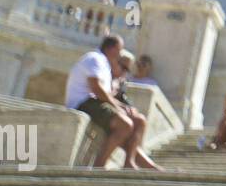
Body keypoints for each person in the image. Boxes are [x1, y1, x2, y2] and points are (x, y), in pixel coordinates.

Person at [65, 35, 157, 169]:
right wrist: (117, 107)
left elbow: (105, 94)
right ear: (112, 49)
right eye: (119, 50)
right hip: (83, 103)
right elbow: (96, 88)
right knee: (125, 125)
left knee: (139, 121)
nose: (119, 54)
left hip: (94, 102)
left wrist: (122, 106)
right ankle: (99, 166)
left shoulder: (103, 63)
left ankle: (129, 162)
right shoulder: (95, 58)